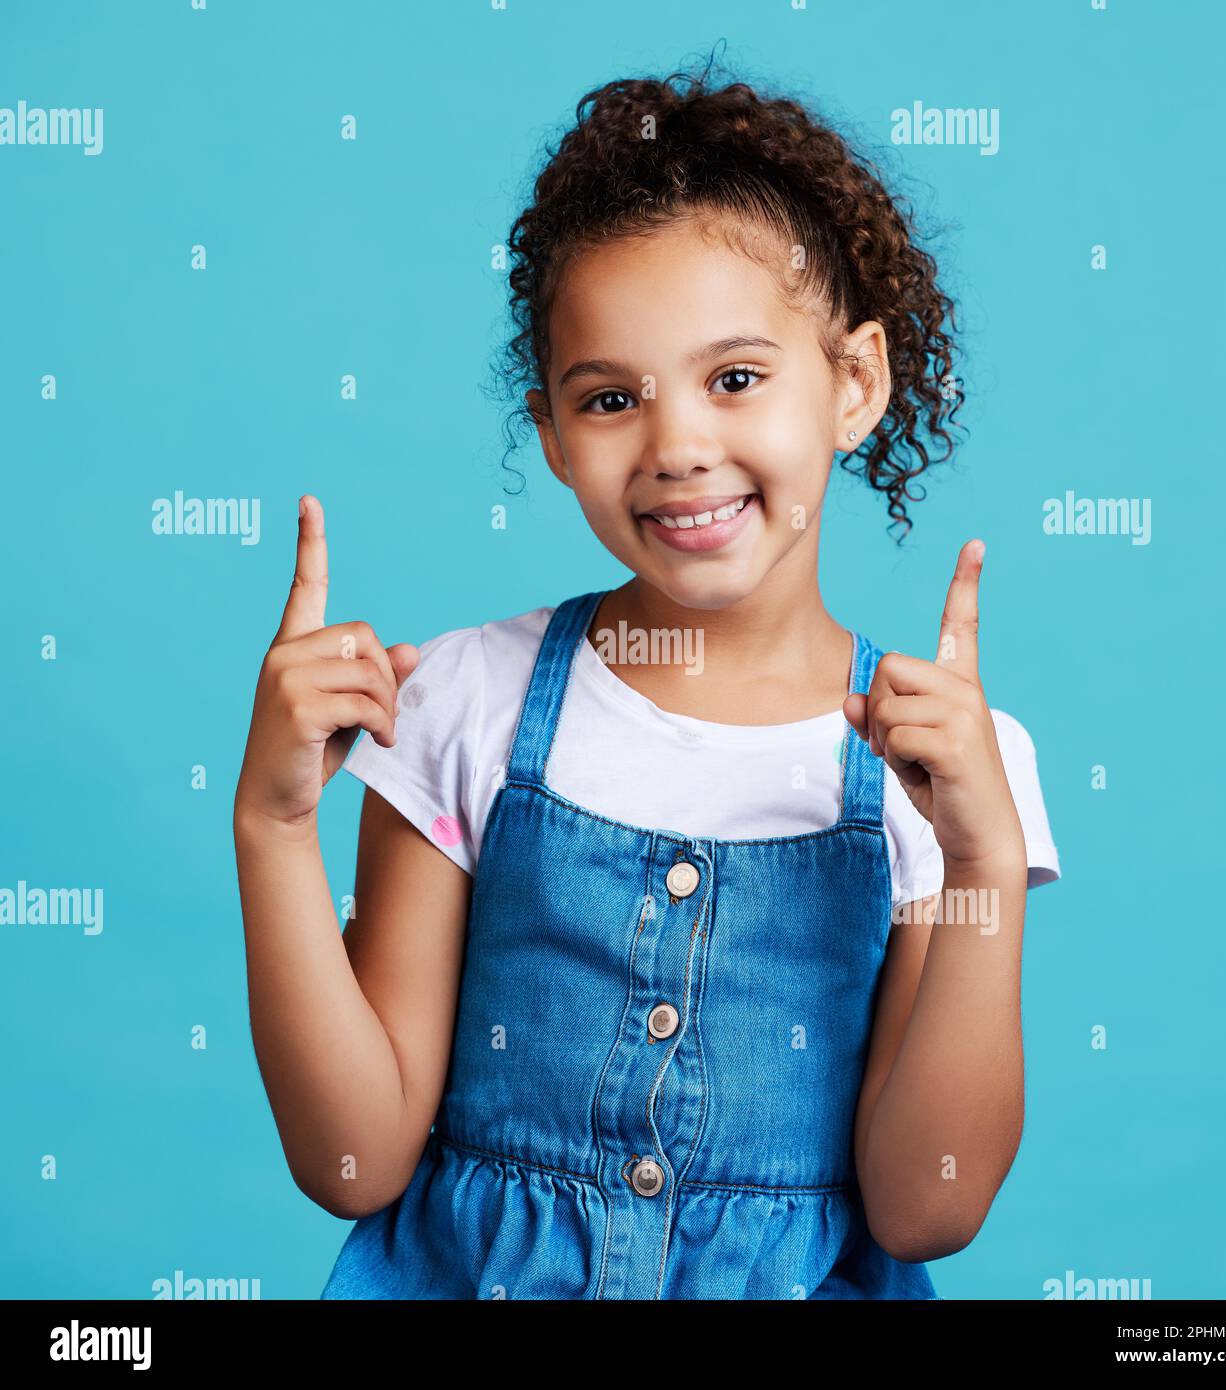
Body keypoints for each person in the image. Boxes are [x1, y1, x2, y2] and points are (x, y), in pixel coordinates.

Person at [233, 57, 1060, 1300]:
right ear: (555, 436)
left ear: (854, 385)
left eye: (735, 378)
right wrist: (274, 822)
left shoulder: (948, 770)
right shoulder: (462, 703)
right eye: (612, 397)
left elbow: (926, 1203)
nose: (677, 445)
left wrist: (983, 865)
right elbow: (352, 1161)